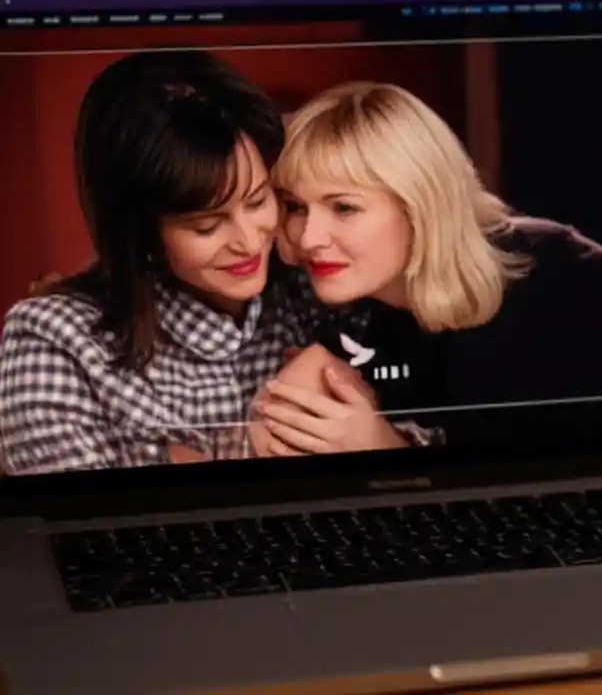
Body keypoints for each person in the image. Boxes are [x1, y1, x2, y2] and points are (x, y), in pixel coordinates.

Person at [0, 51, 377, 473]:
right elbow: (76, 521)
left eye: (257, 201)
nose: (249, 241)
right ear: (142, 230)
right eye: (206, 226)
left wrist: (380, 440)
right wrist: (246, 445)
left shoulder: (317, 290)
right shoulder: (55, 339)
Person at [253, 81, 602, 454]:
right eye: (295, 206)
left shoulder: (570, 286)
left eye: (344, 207)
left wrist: (383, 446)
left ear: (420, 204)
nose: (309, 238)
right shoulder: (337, 294)